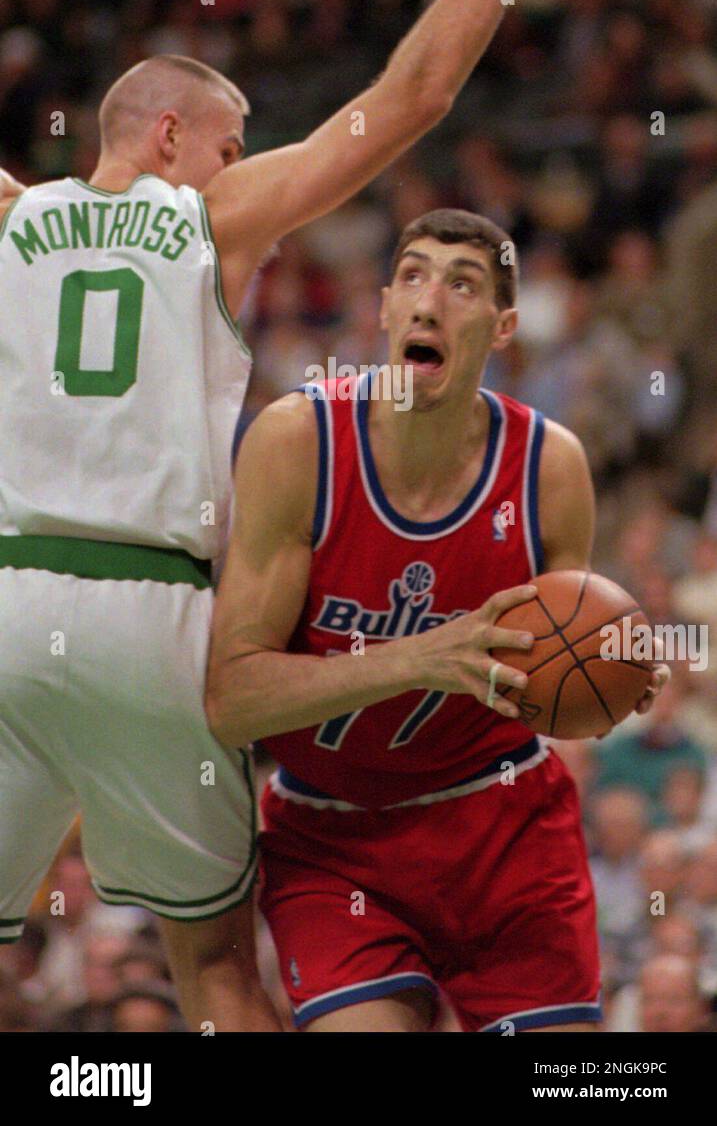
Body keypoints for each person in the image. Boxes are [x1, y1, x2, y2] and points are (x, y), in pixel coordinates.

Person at [0, 0, 580, 1031]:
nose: (239, 160)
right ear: (167, 136)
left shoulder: (15, 217)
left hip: (4, 604)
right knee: (213, 971)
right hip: (143, 611)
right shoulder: (206, 216)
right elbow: (412, 98)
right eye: (228, 139)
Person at [207, 208, 669, 1032]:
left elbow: (563, 661)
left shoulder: (548, 464)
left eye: (461, 285)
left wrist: (614, 675)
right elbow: (232, 699)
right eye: (413, 276)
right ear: (383, 307)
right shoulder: (296, 442)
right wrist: (423, 657)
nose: (429, 302)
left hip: (504, 828)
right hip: (333, 835)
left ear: (503, 328)